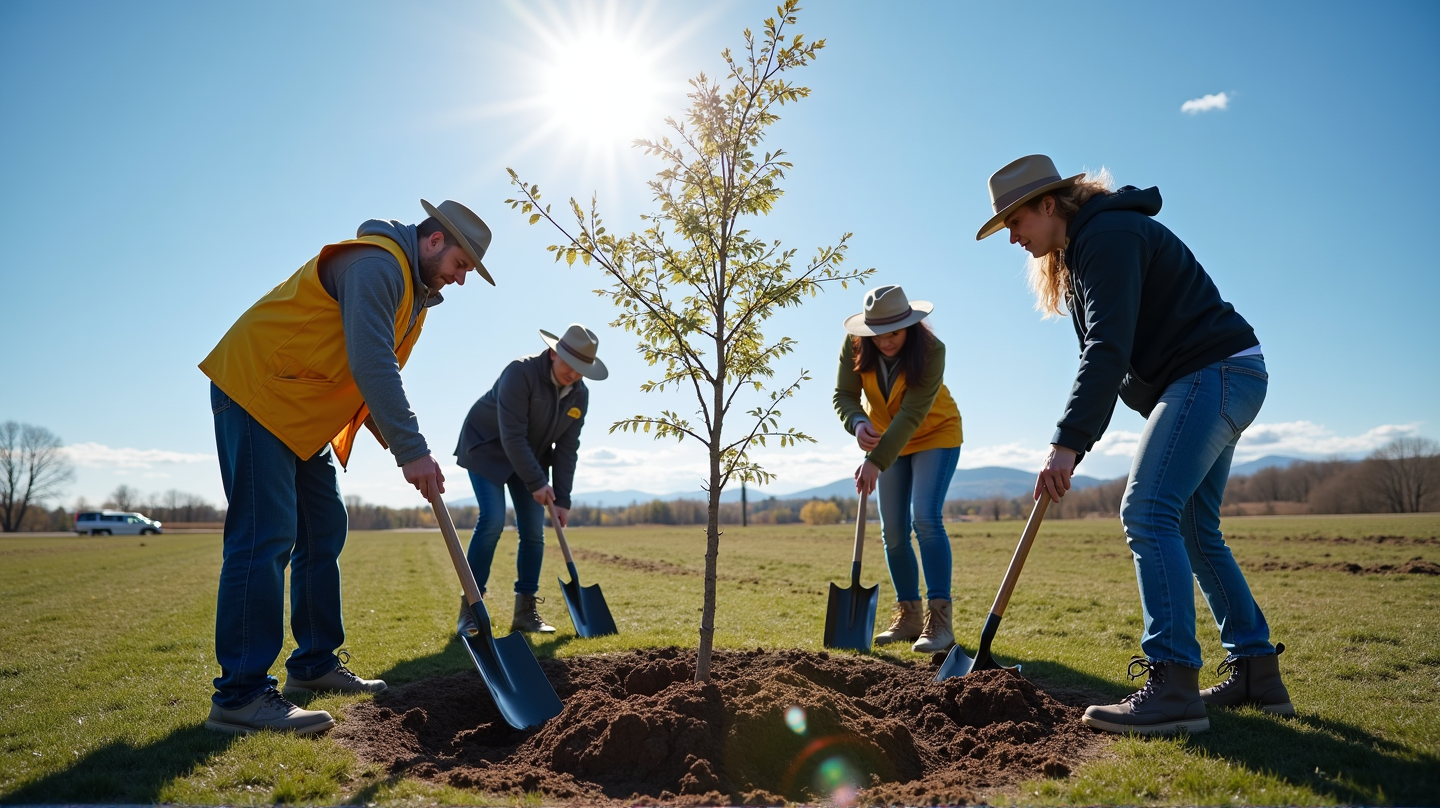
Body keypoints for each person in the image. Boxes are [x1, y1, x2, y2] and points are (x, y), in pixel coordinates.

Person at [978, 154, 1293, 734]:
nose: (1013, 238)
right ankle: (1255, 671)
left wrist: (1067, 443)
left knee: (1146, 510)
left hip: (1214, 373)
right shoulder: (1090, 243)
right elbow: (1114, 351)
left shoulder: (1109, 234)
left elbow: (1107, 348)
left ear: (1049, 205)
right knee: (1195, 529)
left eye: (1015, 223)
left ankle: (1173, 684)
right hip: (1227, 374)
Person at [198, 199, 495, 734]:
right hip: (260, 389)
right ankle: (240, 696)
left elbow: (365, 377)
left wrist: (403, 447)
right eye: (461, 265)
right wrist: (412, 450)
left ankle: (313, 666)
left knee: (325, 528)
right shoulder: (378, 265)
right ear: (434, 240)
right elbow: (372, 360)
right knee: (265, 536)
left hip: (302, 407)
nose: (462, 278)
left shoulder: (414, 295)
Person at [833, 285, 963, 654]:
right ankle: (908, 616)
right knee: (892, 530)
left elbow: (910, 414)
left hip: (935, 433)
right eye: (878, 334)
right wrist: (857, 421)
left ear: (910, 325)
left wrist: (875, 462)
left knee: (924, 517)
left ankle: (940, 623)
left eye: (894, 332)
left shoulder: (932, 351)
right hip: (887, 441)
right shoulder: (855, 345)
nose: (886, 341)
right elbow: (843, 395)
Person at [454, 324, 607, 635]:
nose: (574, 375)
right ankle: (470, 611)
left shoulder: (579, 395)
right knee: (493, 519)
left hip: (530, 458)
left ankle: (525, 612)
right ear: (553, 354)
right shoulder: (519, 373)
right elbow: (512, 435)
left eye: (582, 371)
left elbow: (567, 449)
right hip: (487, 449)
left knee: (534, 533)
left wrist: (562, 499)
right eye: (571, 366)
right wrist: (538, 482)